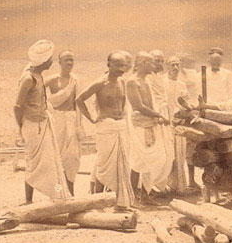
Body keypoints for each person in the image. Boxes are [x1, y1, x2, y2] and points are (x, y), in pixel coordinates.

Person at [14, 40, 70, 203]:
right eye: (50, 59)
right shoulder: (28, 79)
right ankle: (28, 200)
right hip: (32, 126)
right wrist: (21, 128)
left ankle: (58, 194)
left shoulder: (39, 76)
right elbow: (17, 106)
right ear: (44, 61)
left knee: (51, 164)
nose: (52, 62)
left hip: (42, 124)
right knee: (32, 163)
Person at [77, 51, 135, 209]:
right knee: (103, 165)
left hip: (119, 127)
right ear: (108, 65)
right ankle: (97, 202)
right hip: (106, 128)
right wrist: (91, 118)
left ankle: (120, 201)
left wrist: (122, 119)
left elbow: (123, 103)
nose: (121, 69)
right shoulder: (100, 83)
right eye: (117, 65)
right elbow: (79, 99)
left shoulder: (122, 82)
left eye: (123, 65)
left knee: (121, 165)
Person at [126, 52, 170, 202]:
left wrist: (157, 117)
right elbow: (138, 106)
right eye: (151, 63)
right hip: (139, 125)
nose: (154, 66)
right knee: (138, 160)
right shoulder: (132, 82)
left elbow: (150, 104)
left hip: (150, 123)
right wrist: (159, 116)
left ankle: (145, 195)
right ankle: (133, 197)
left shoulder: (147, 82)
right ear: (143, 63)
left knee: (152, 160)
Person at [45, 50, 84, 196]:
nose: (69, 63)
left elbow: (78, 103)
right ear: (59, 62)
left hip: (72, 121)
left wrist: (80, 125)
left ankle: (71, 192)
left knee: (73, 158)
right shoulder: (52, 80)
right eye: (66, 60)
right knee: (57, 158)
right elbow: (36, 93)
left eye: (71, 60)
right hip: (57, 122)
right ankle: (58, 192)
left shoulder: (76, 81)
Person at [164, 55, 192, 192]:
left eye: (177, 65)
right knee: (167, 154)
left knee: (179, 154)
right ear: (167, 66)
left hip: (178, 123)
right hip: (164, 122)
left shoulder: (182, 85)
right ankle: (163, 186)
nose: (175, 68)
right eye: (172, 65)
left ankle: (178, 186)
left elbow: (186, 105)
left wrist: (184, 108)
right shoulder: (162, 82)